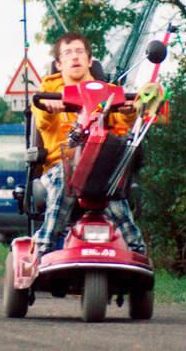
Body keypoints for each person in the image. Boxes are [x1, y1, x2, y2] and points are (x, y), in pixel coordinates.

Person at [27, 32, 146, 268]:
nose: (75, 57)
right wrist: (51, 106)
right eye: (68, 53)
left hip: (99, 170)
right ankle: (44, 247)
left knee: (116, 199)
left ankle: (137, 254)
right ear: (58, 64)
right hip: (59, 168)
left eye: (80, 51)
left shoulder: (110, 93)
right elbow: (42, 122)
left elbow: (123, 131)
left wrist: (129, 110)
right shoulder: (48, 92)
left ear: (90, 60)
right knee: (65, 178)